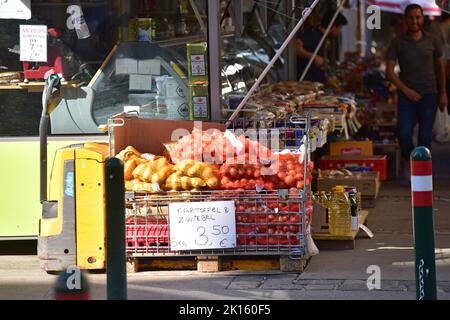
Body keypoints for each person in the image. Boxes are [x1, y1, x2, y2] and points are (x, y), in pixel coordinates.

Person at [386, 4, 447, 178]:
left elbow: (440, 66)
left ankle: (421, 176)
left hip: (430, 94)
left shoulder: (432, 40)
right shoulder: (397, 42)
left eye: (418, 17)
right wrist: (406, 90)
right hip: (407, 96)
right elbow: (389, 72)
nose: (414, 21)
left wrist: (443, 92)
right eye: (411, 18)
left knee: (425, 137)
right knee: (404, 134)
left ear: (422, 18)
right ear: (405, 20)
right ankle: (411, 159)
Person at [296, 11, 348, 83]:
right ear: (333, 26)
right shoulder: (313, 35)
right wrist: (314, 57)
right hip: (306, 84)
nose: (340, 31)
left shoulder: (325, 38)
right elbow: (296, 48)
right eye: (340, 28)